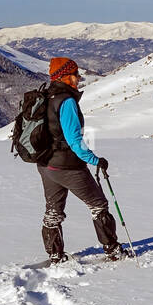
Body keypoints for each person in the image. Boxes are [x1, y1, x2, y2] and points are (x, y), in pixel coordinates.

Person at [38, 57, 126, 264]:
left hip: (45, 164)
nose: (79, 78)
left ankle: (55, 255)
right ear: (66, 77)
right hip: (67, 165)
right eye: (76, 75)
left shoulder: (46, 96)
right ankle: (113, 250)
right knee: (98, 205)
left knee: (53, 210)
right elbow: (74, 140)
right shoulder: (66, 101)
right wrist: (95, 160)